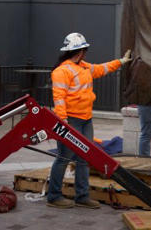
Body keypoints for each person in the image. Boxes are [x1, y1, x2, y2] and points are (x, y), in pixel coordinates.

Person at [47, 32, 132, 209]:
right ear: (80, 51)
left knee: (84, 157)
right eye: (85, 50)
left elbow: (101, 69)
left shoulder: (83, 67)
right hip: (71, 121)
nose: (86, 53)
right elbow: (59, 99)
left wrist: (121, 62)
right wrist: (63, 123)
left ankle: (82, 196)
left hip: (86, 119)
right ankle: (54, 196)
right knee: (64, 158)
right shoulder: (61, 72)